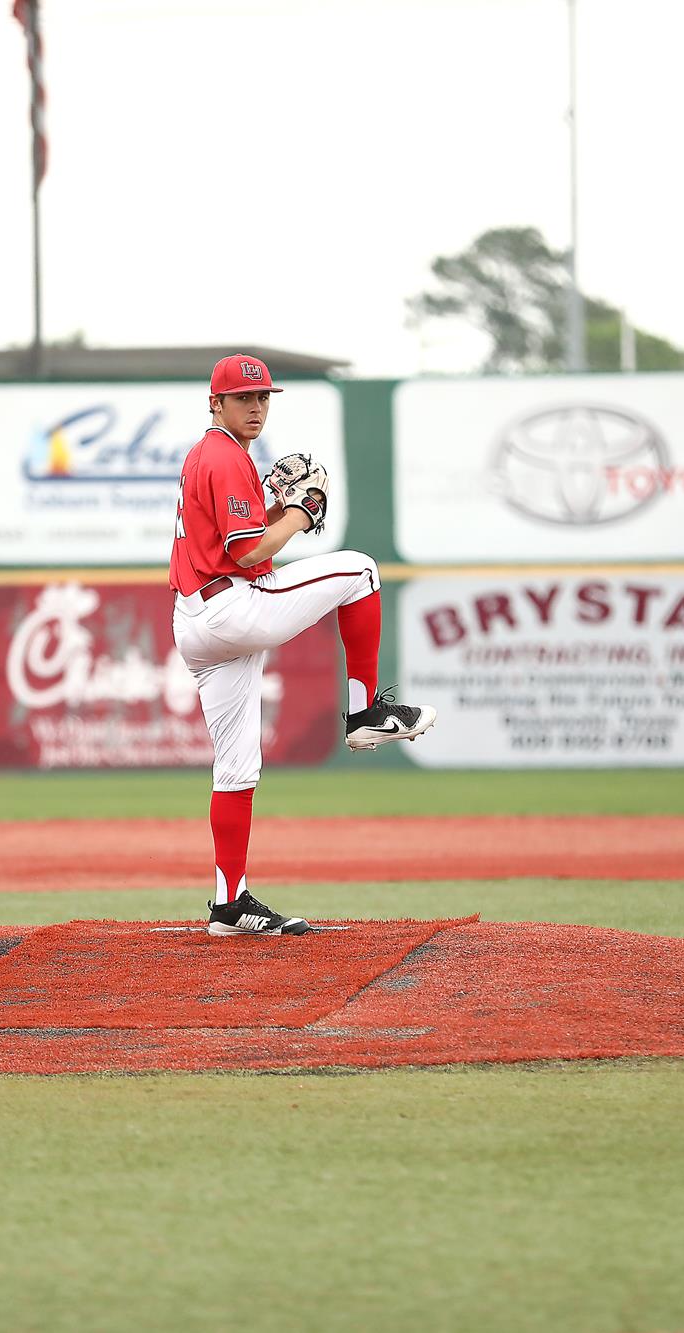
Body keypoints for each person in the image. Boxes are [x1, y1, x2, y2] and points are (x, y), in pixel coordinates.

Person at [170, 354, 437, 936]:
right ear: (215, 403)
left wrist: (276, 514)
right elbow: (247, 555)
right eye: (244, 398)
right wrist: (298, 512)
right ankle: (365, 713)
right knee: (361, 570)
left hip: (197, 620)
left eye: (264, 397)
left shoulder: (203, 456)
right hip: (233, 607)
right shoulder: (226, 455)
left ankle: (228, 903)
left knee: (236, 767)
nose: (257, 407)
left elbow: (243, 543)